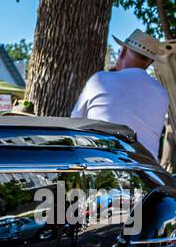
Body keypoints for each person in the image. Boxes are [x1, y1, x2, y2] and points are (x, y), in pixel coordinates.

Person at [71, 29, 168, 159]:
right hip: (146, 171)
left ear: (123, 50)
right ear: (150, 62)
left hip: (101, 164)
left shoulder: (100, 80)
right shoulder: (161, 93)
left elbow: (74, 123)